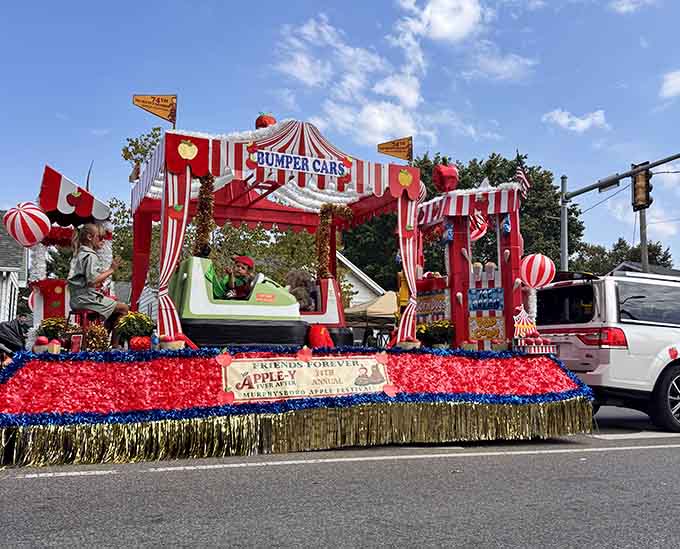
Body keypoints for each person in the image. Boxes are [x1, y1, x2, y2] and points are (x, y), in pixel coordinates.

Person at [68, 223, 129, 347]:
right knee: (124, 308)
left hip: (77, 298)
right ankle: (114, 346)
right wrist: (111, 269)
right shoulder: (90, 256)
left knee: (115, 310)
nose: (102, 241)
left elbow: (87, 279)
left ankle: (103, 340)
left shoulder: (81, 253)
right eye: (100, 238)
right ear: (90, 237)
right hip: (85, 299)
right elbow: (92, 280)